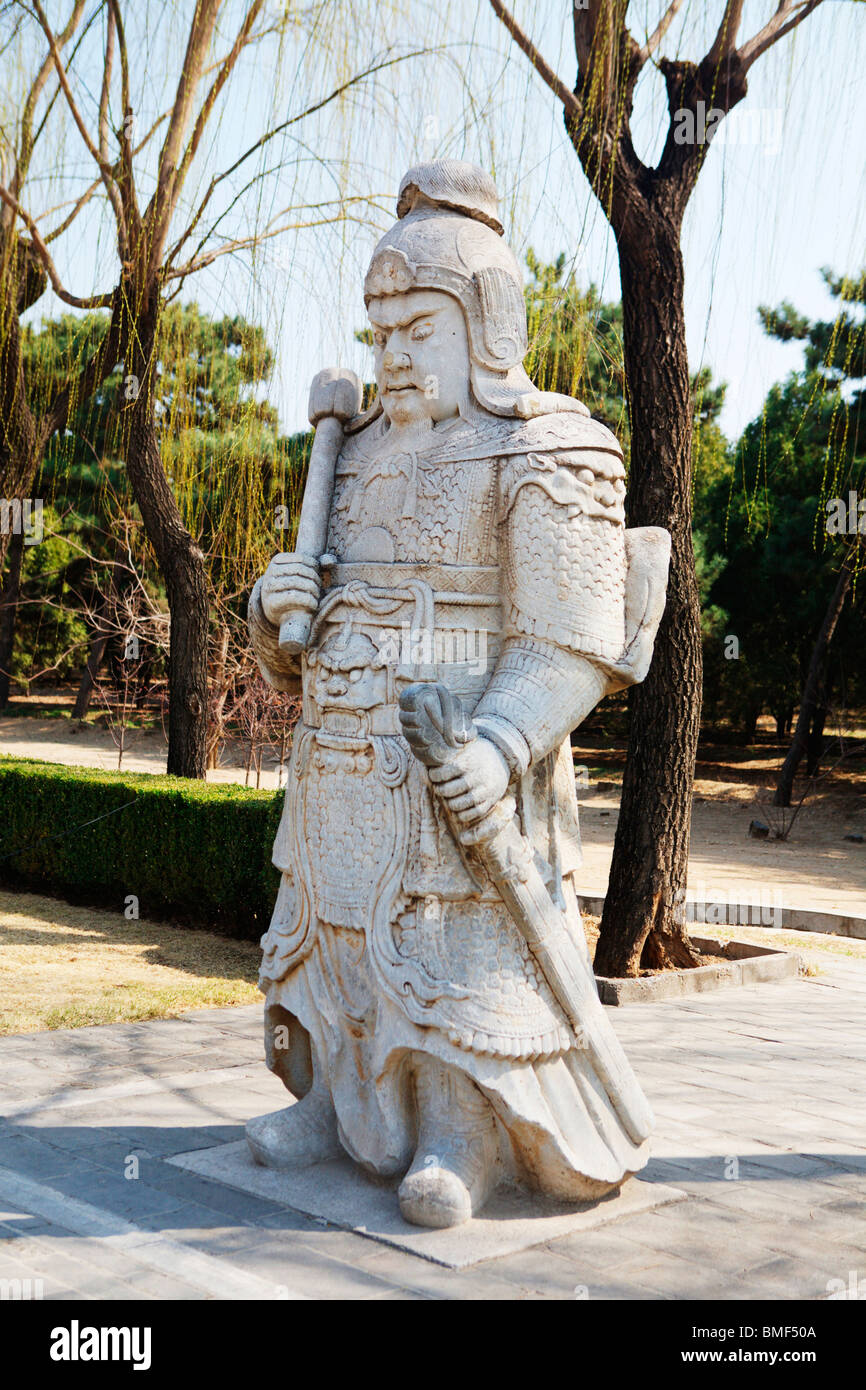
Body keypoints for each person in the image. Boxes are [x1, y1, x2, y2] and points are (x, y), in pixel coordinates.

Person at [246, 159, 668, 1229]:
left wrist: (497, 739)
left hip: (459, 744)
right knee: (333, 927)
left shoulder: (547, 445)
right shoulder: (350, 454)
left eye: (414, 329)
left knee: (451, 944)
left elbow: (567, 638)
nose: (390, 356)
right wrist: (270, 609)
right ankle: (339, 1104)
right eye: (377, 333)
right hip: (342, 748)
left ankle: (461, 1131)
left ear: (483, 324)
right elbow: (304, 633)